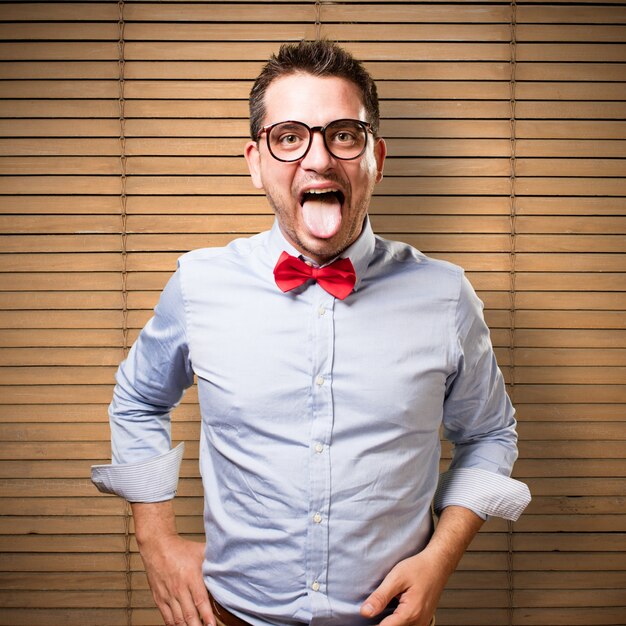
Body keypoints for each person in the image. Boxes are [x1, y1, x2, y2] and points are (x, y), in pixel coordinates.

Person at [92, 40, 531, 626]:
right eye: (289, 136)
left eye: (343, 134)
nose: (319, 160)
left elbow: (491, 434)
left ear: (376, 156)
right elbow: (140, 399)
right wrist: (156, 541)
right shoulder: (198, 285)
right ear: (255, 161)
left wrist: (438, 560)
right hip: (230, 616)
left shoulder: (447, 297)